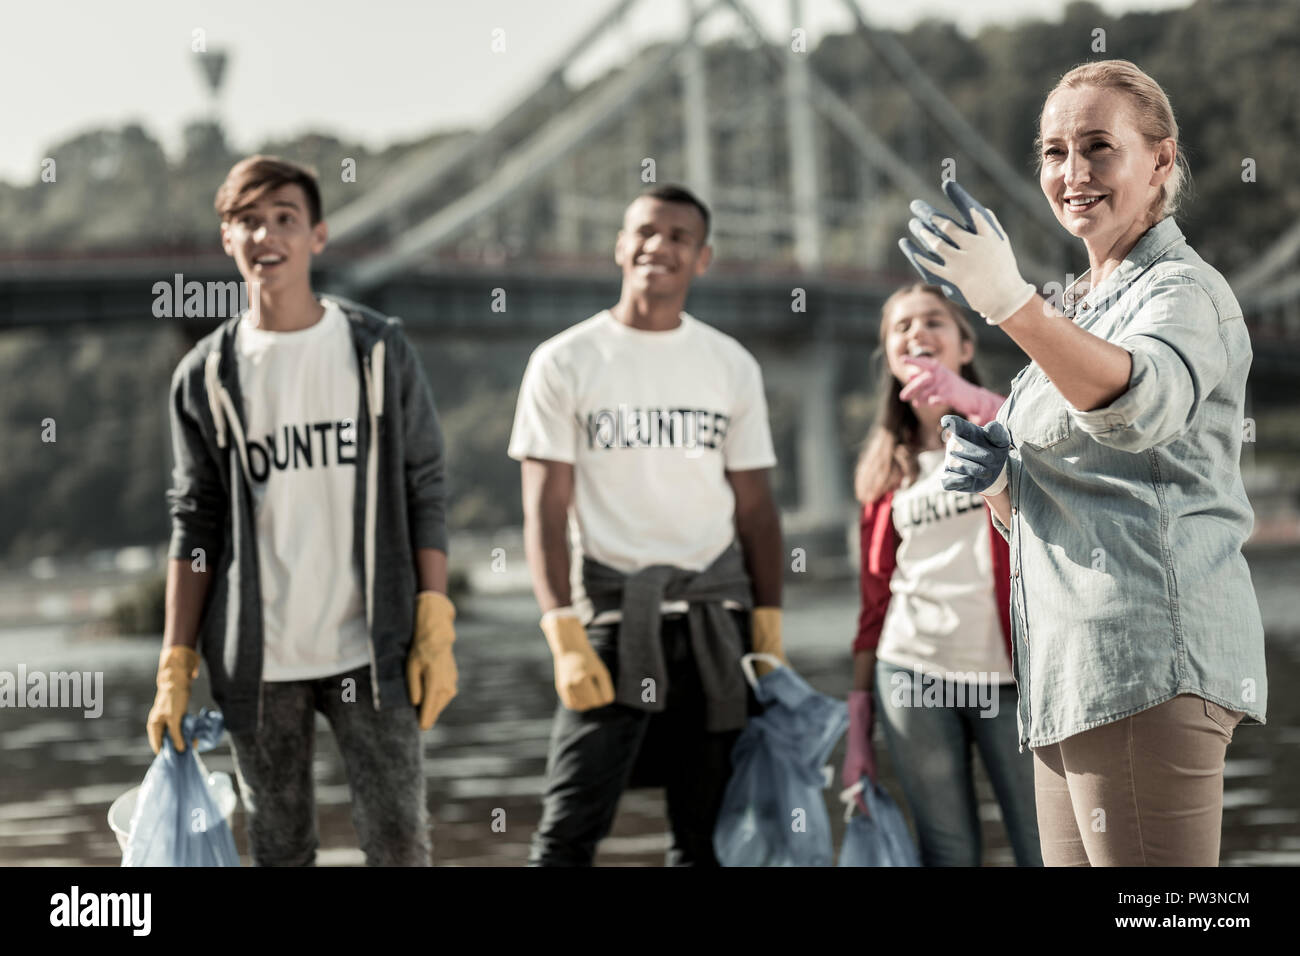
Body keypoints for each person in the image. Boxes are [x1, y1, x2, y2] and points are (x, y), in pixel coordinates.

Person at [901, 60, 1268, 866]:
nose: (1072, 173)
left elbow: (1140, 408)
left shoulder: (1183, 294)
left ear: (1162, 161)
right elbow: (1086, 491)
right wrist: (1004, 483)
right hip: (1068, 674)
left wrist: (1009, 305)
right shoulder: (1082, 304)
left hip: (1144, 665)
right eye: (1054, 151)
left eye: (1099, 147)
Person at [148, 155, 457, 866]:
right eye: (248, 221)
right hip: (259, 660)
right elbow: (193, 521)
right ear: (227, 239)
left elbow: (424, 487)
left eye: (284, 219)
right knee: (281, 851)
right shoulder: (205, 377)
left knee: (400, 843)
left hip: (372, 648)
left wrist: (434, 616)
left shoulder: (378, 351)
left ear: (317, 236)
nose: (267, 235)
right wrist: (175, 662)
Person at [508, 184, 785, 866]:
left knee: (704, 842)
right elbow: (543, 511)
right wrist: (560, 630)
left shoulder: (730, 364)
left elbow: (756, 510)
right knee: (566, 834)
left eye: (678, 237)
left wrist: (768, 626)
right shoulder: (563, 361)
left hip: (715, 625)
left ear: (704, 258)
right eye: (645, 232)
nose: (658, 246)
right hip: (606, 622)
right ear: (619, 246)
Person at [844, 282, 1042, 867]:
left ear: (963, 343)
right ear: (890, 354)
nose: (917, 332)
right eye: (901, 326)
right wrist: (859, 733)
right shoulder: (885, 469)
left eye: (933, 320)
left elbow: (1052, 441)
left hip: (1012, 678)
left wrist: (966, 398)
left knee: (1045, 843)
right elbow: (873, 605)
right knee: (948, 852)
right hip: (912, 675)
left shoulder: (1007, 422)